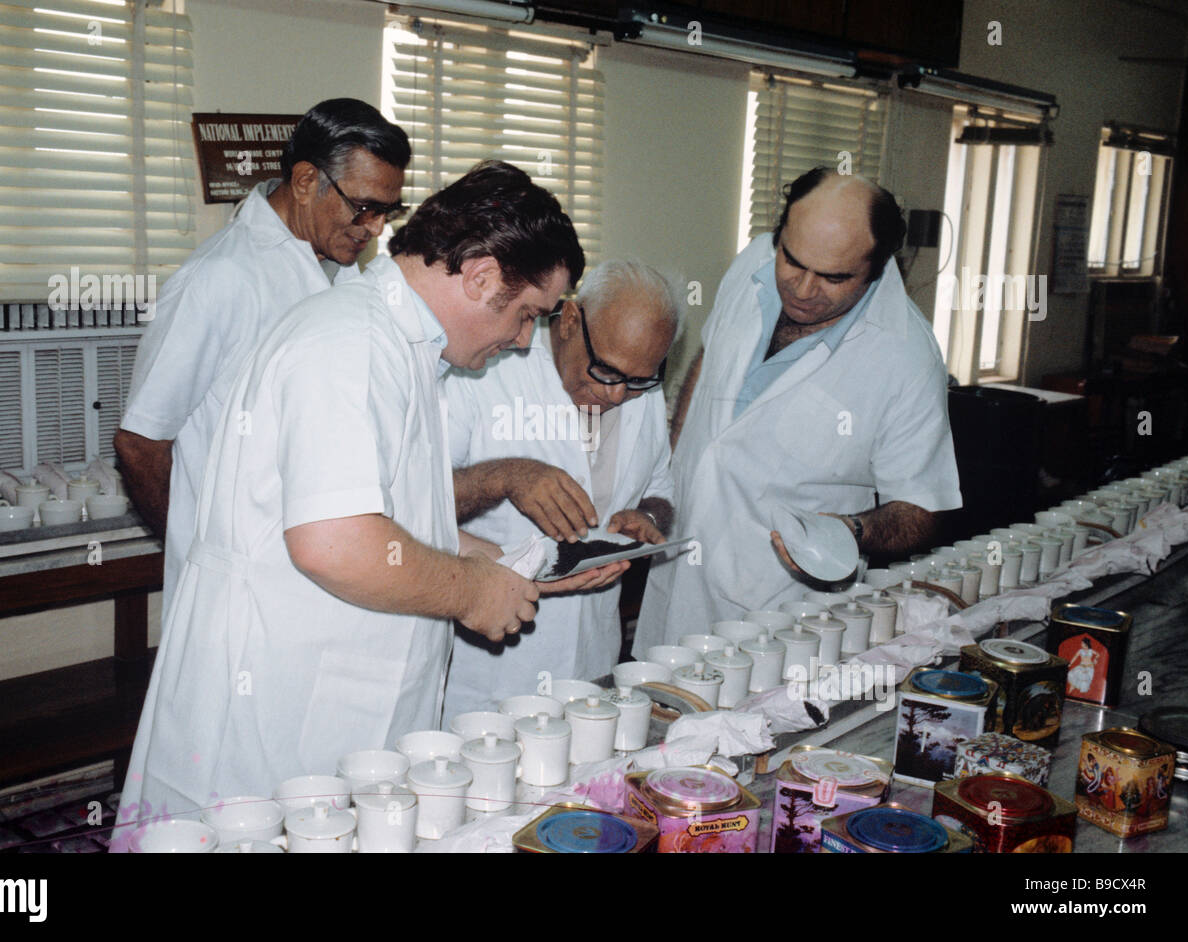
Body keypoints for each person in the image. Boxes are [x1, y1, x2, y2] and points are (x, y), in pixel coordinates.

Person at [112, 161, 623, 848]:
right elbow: (336, 542)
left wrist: (519, 566)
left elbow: (393, 519)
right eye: (528, 313)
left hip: (325, 692)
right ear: (481, 277)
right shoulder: (350, 342)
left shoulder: (402, 349)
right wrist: (472, 590)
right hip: (273, 702)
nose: (525, 339)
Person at [634, 168, 962, 655]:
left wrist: (852, 531)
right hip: (677, 568)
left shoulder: (906, 357)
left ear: (877, 266)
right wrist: (670, 474)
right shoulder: (754, 261)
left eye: (834, 277)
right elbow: (710, 360)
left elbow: (921, 508)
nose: (803, 289)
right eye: (793, 260)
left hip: (777, 611)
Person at [114, 98, 410, 621]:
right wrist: (202, 546)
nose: (375, 227)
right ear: (303, 181)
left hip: (326, 569)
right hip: (239, 584)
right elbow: (140, 442)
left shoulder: (344, 271)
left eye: (387, 211)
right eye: (363, 207)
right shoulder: (220, 279)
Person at [442, 260, 679, 718]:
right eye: (606, 371)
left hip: (592, 659)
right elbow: (419, 503)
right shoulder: (485, 368)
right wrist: (505, 476)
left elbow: (661, 491)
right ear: (569, 321)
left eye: (637, 380)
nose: (616, 395)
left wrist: (647, 518)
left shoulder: (640, 390)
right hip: (487, 668)